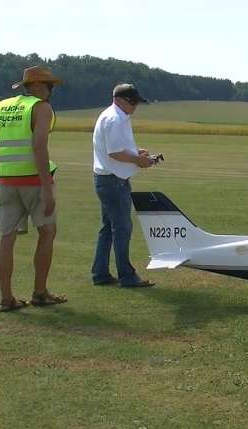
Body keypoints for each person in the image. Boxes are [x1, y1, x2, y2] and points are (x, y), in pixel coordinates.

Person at [0, 65, 68, 312]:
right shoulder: (41, 108)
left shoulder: (1, 107)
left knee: (6, 238)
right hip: (35, 182)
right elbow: (39, 147)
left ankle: (7, 299)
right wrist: (47, 189)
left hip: (6, 183)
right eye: (48, 86)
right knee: (47, 233)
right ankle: (40, 292)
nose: (51, 91)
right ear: (36, 86)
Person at [91, 83, 157, 288]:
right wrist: (138, 160)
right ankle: (126, 276)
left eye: (136, 102)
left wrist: (137, 152)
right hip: (113, 181)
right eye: (132, 102)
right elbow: (115, 153)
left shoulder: (116, 116)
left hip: (108, 179)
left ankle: (100, 273)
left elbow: (119, 148)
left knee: (109, 228)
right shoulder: (114, 119)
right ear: (118, 100)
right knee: (122, 228)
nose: (135, 106)